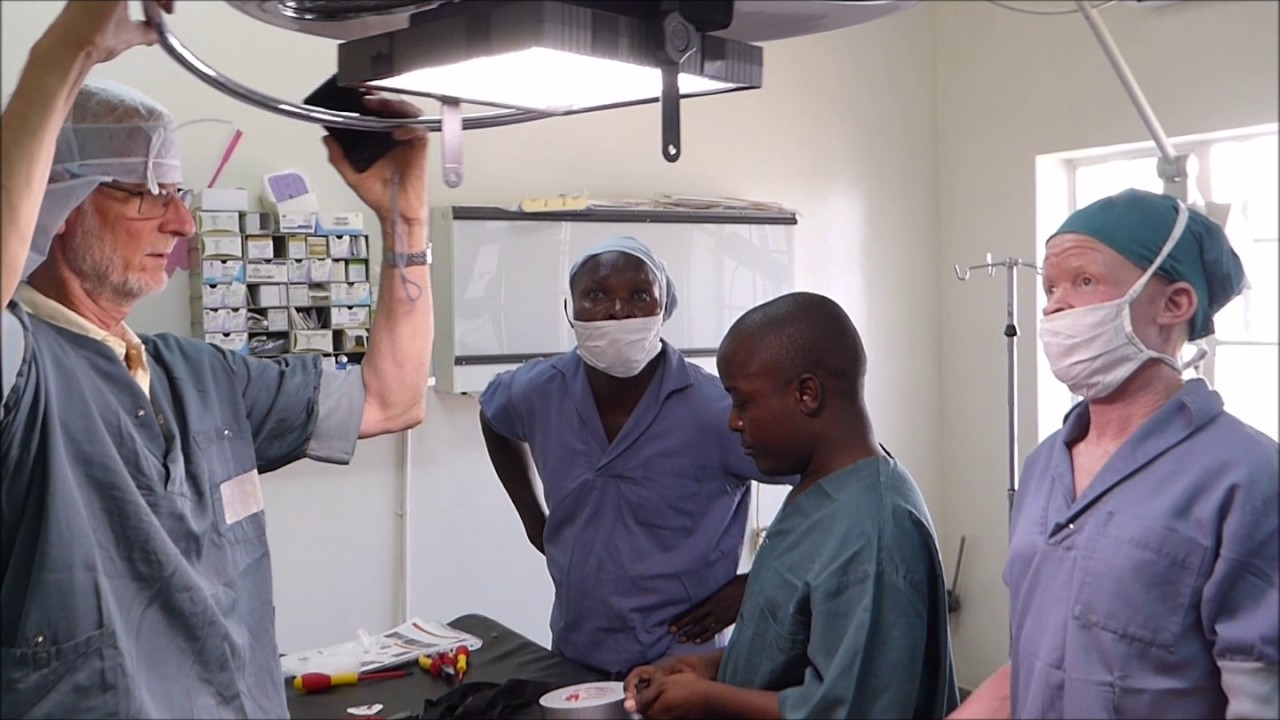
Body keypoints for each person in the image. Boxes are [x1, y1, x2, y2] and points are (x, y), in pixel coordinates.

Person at [0, 2, 434, 717]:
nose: (180, 223)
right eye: (145, 193)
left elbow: (393, 398)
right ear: (61, 198)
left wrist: (404, 220)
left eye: (177, 194)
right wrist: (68, 49)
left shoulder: (201, 377)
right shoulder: (25, 376)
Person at [951, 189, 1278, 719]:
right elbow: (1034, 665)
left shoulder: (1246, 477)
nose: (1056, 305)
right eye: (1050, 287)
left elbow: (1259, 698)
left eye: (1083, 281)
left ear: (1175, 304)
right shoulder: (1043, 468)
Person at [623, 291, 959, 719]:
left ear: (806, 394)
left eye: (743, 403)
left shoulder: (873, 531)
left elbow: (851, 708)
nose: (732, 421)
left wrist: (708, 699)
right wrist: (709, 669)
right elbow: (798, 647)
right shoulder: (820, 490)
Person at [477, 236, 793, 676]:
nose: (618, 311)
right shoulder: (540, 390)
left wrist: (760, 582)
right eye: (597, 294)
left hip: (684, 663)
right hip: (576, 652)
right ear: (571, 309)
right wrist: (535, 521)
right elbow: (493, 416)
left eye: (640, 295)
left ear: (663, 310)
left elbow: (824, 476)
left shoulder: (714, 411)